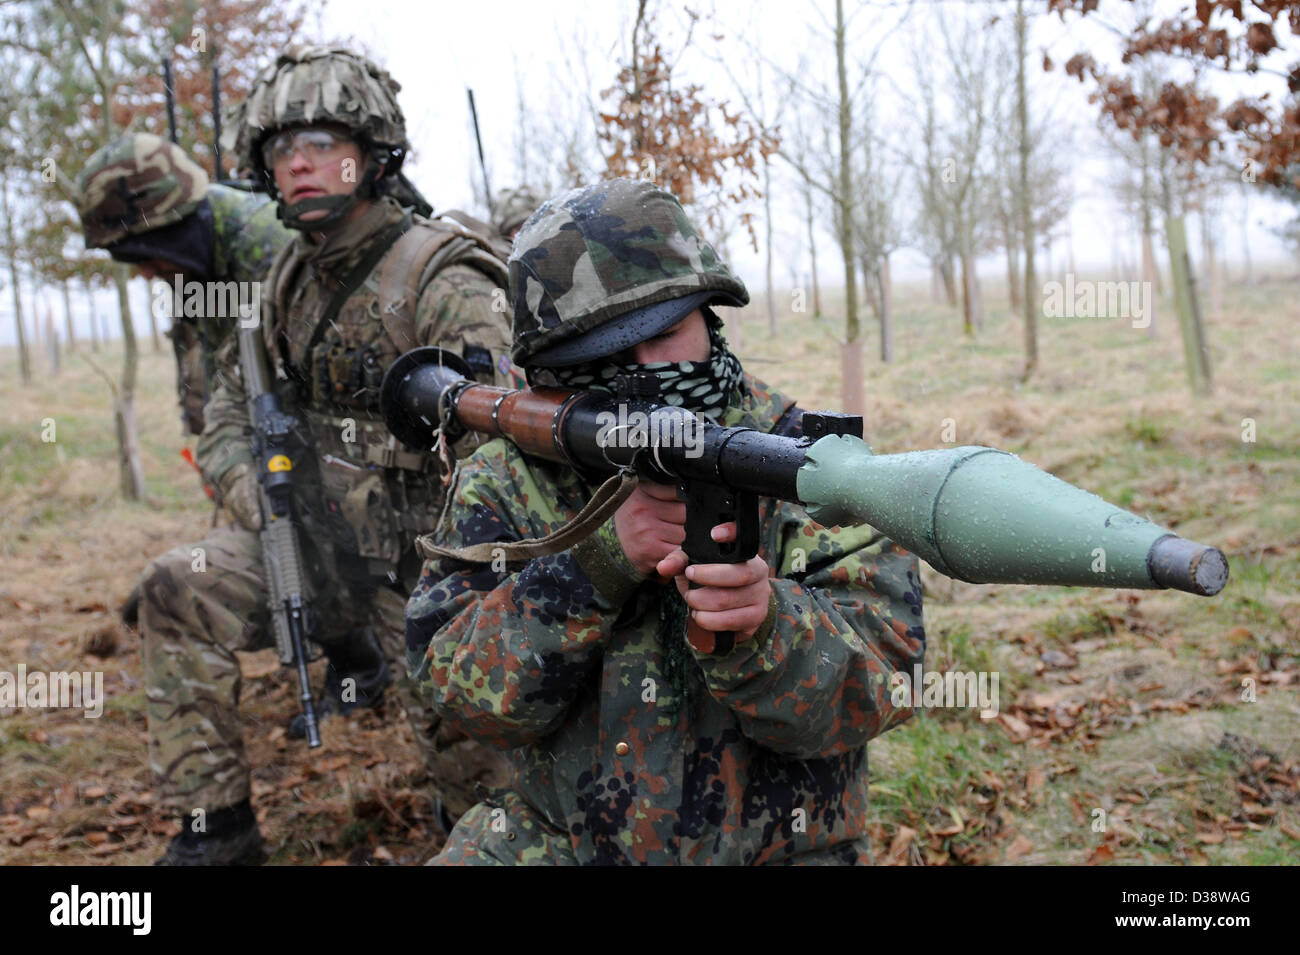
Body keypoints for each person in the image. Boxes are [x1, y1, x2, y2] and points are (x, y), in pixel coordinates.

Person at [405, 178, 927, 865]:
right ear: (550, 368)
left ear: (708, 316)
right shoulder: (510, 476)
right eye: (611, 353)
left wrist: (766, 626)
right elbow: (455, 693)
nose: (653, 370)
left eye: (668, 332)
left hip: (783, 849)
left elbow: (890, 678)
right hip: (563, 842)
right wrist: (594, 566)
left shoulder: (801, 462)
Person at [136, 45, 513, 865]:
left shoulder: (442, 277)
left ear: (373, 153)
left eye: (319, 143)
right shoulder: (283, 283)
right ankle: (217, 830)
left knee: (485, 800)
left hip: (433, 575)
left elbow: (508, 456)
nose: (298, 162)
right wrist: (259, 501)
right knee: (176, 586)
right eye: (280, 150)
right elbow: (231, 409)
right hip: (308, 551)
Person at [75, 133, 291, 436]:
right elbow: (219, 367)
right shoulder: (192, 263)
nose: (147, 274)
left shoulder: (266, 244)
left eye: (149, 256)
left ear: (176, 232)